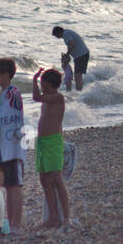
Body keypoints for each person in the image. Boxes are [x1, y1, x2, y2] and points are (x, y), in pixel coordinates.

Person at [0, 58, 26, 231]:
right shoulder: (1, 94)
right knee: (8, 185)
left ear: (5, 74)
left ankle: (16, 223)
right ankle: (10, 222)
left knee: (14, 186)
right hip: (3, 146)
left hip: (13, 146)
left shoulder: (12, 93)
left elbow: (7, 118)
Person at [31, 67, 71, 229]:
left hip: (53, 142)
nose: (41, 85)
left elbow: (35, 97)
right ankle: (53, 217)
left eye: (42, 83)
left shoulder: (57, 97)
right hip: (42, 142)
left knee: (56, 178)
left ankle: (66, 217)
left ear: (48, 84)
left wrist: (33, 80)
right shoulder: (48, 97)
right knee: (44, 179)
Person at [52, 25, 90, 90]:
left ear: (59, 32)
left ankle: (79, 92)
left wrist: (67, 55)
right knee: (78, 75)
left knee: (77, 75)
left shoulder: (65, 34)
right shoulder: (67, 32)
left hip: (81, 55)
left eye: (56, 35)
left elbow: (71, 45)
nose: (57, 37)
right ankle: (79, 91)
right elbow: (71, 45)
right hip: (81, 55)